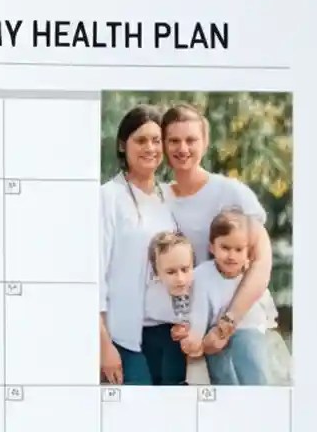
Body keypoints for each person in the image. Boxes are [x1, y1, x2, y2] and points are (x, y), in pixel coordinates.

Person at [159, 103, 278, 357]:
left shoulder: (230, 192)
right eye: (174, 140)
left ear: (204, 142)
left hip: (240, 323)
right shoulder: (159, 198)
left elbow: (262, 261)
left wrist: (227, 325)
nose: (182, 148)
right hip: (194, 327)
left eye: (191, 140)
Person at [99, 104, 183, 386]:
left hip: (168, 335)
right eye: (141, 140)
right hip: (123, 336)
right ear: (123, 145)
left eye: (156, 140)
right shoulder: (108, 198)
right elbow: (92, 277)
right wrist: (103, 345)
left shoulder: (170, 197)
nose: (150, 148)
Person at [181, 209, 271, 385]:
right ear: (212, 247)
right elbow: (199, 308)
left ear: (248, 252)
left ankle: (259, 402)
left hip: (246, 328)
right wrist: (196, 338)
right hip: (212, 335)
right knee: (221, 375)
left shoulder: (248, 276)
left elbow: (255, 313)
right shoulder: (202, 275)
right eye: (225, 248)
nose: (231, 256)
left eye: (238, 249)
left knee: (252, 364)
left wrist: (227, 331)